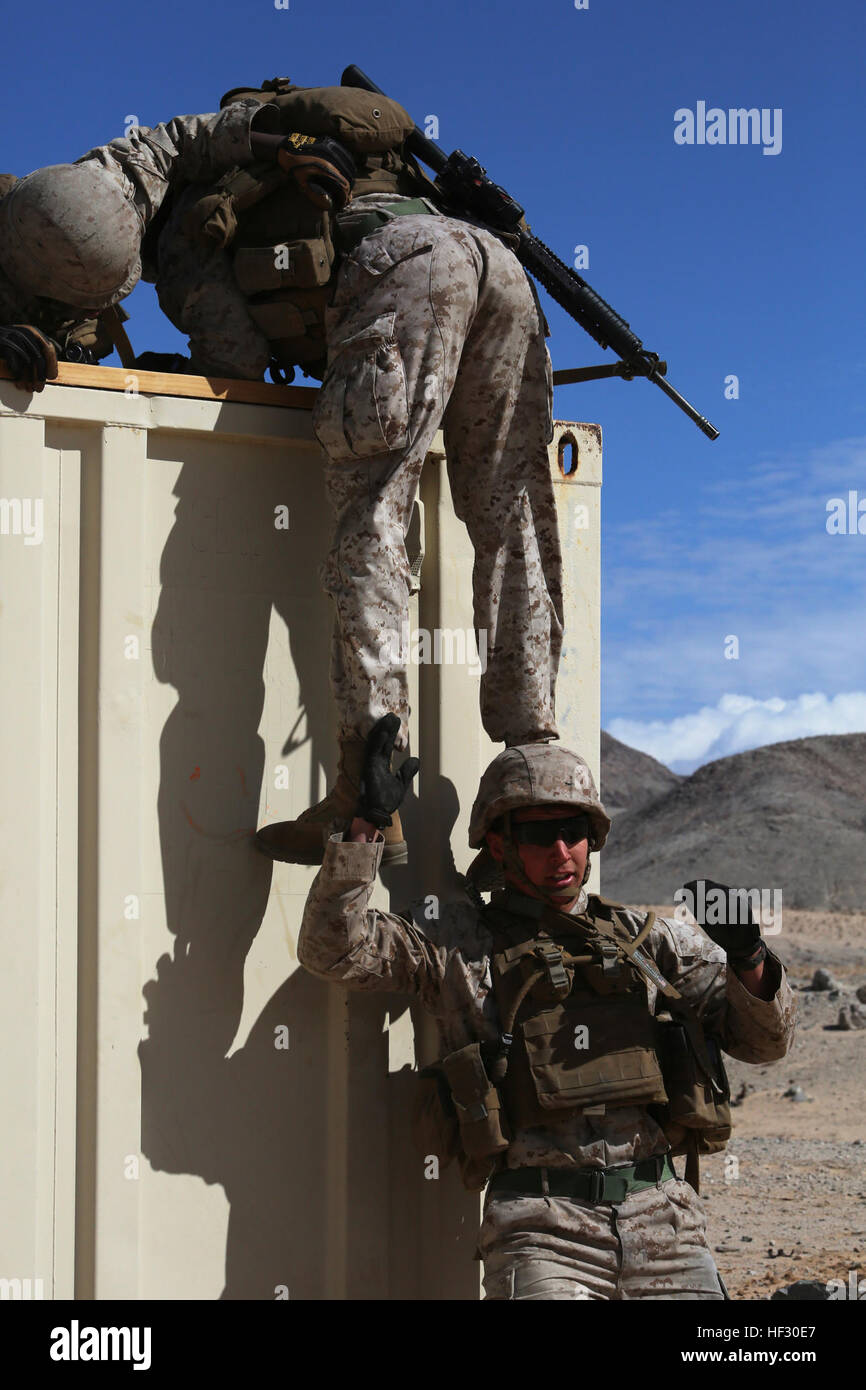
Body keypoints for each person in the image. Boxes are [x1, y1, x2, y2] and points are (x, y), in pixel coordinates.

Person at [163, 81, 565, 867]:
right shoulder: (382, 168)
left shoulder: (201, 206)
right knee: (513, 520)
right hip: (497, 269)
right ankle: (537, 769)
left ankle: (369, 786)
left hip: (403, 270)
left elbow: (237, 357)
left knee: (372, 521)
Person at [296, 718, 797, 1300]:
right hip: (541, 1231)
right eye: (538, 836)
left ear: (593, 837)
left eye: (573, 830)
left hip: (667, 1223)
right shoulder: (462, 945)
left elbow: (765, 1043)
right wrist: (364, 830)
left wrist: (750, 959)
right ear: (501, 844)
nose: (561, 852)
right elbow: (331, 950)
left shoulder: (648, 944)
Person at [0, 99, 297, 389]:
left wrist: (287, 146)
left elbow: (177, 141)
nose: (96, 312)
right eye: (89, 305)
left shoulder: (107, 185)